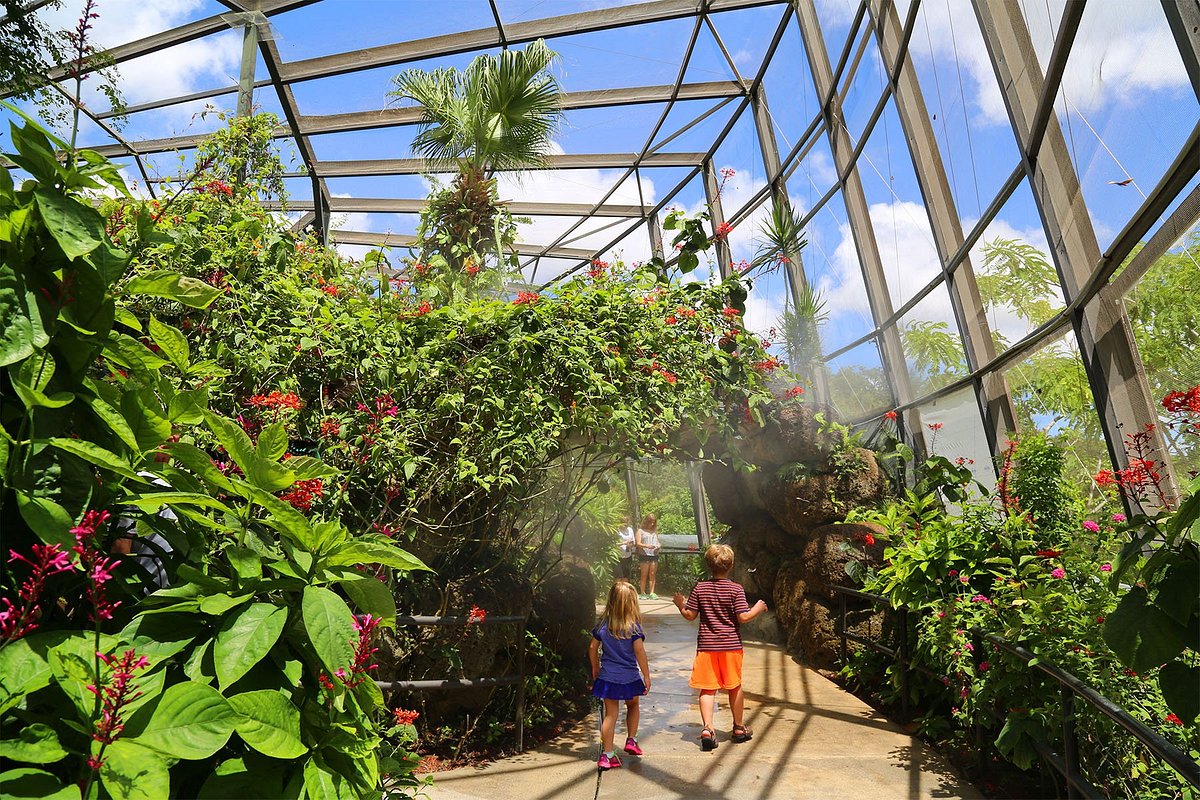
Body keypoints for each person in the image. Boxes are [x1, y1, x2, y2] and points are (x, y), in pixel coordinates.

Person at [672, 543, 768, 751]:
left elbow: (690, 615)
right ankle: (739, 728)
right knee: (734, 686)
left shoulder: (700, 588)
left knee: (707, 688)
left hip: (707, 647)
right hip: (731, 647)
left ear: (708, 565)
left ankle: (708, 728)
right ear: (731, 565)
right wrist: (758, 608)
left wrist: (680, 603)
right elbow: (742, 617)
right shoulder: (735, 589)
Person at [589, 581, 651, 771]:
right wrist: (646, 676)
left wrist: (595, 667)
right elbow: (639, 651)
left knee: (611, 715)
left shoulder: (603, 626)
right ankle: (631, 739)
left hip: (608, 678)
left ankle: (606, 755)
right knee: (633, 706)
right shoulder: (634, 629)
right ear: (632, 604)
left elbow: (592, 647)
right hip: (630, 678)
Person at [635, 513, 661, 599]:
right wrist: (646, 546)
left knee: (652, 574)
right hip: (644, 554)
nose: (652, 524)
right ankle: (642, 592)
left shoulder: (654, 531)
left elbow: (657, 541)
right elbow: (638, 543)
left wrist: (658, 546)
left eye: (654, 522)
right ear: (646, 521)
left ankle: (652, 592)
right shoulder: (640, 531)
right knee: (644, 574)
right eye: (651, 522)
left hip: (654, 554)